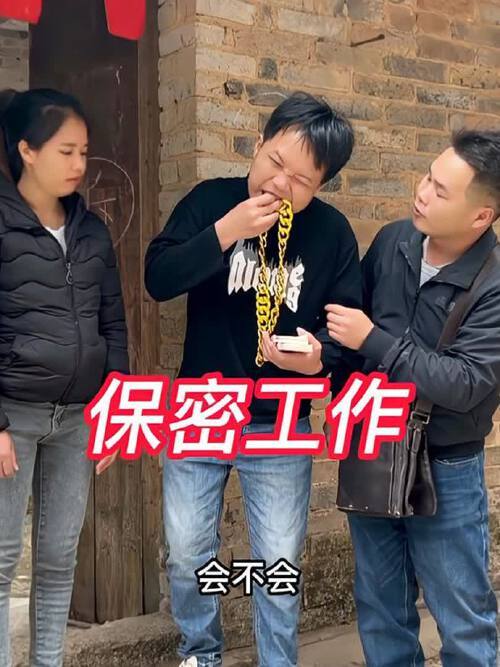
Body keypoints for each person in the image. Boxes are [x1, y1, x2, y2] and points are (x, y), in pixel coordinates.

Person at [145, 91, 362, 667]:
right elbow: (157, 277)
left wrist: (317, 360)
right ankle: (200, 653)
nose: (280, 185)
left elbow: (345, 330)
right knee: (187, 553)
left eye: (302, 180)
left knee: (277, 563)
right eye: (275, 162)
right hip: (202, 408)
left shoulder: (332, 233)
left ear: (321, 185)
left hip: (280, 419)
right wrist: (224, 231)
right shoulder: (210, 201)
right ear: (259, 142)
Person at [327, 129, 500, 667]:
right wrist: (331, 381)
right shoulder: (393, 241)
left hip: (446, 465)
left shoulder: (494, 284)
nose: (422, 193)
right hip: (373, 445)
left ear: (481, 216)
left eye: (441, 191)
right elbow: (349, 337)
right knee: (381, 608)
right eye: (427, 177)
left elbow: (465, 382)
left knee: (462, 617)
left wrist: (374, 341)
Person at [0, 88, 129, 667]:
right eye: (66, 151)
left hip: (79, 420)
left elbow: (113, 325)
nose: (79, 164)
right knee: (2, 559)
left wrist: (116, 410)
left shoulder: (92, 231)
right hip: (14, 418)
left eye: (84, 152)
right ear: (27, 151)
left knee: (57, 559)